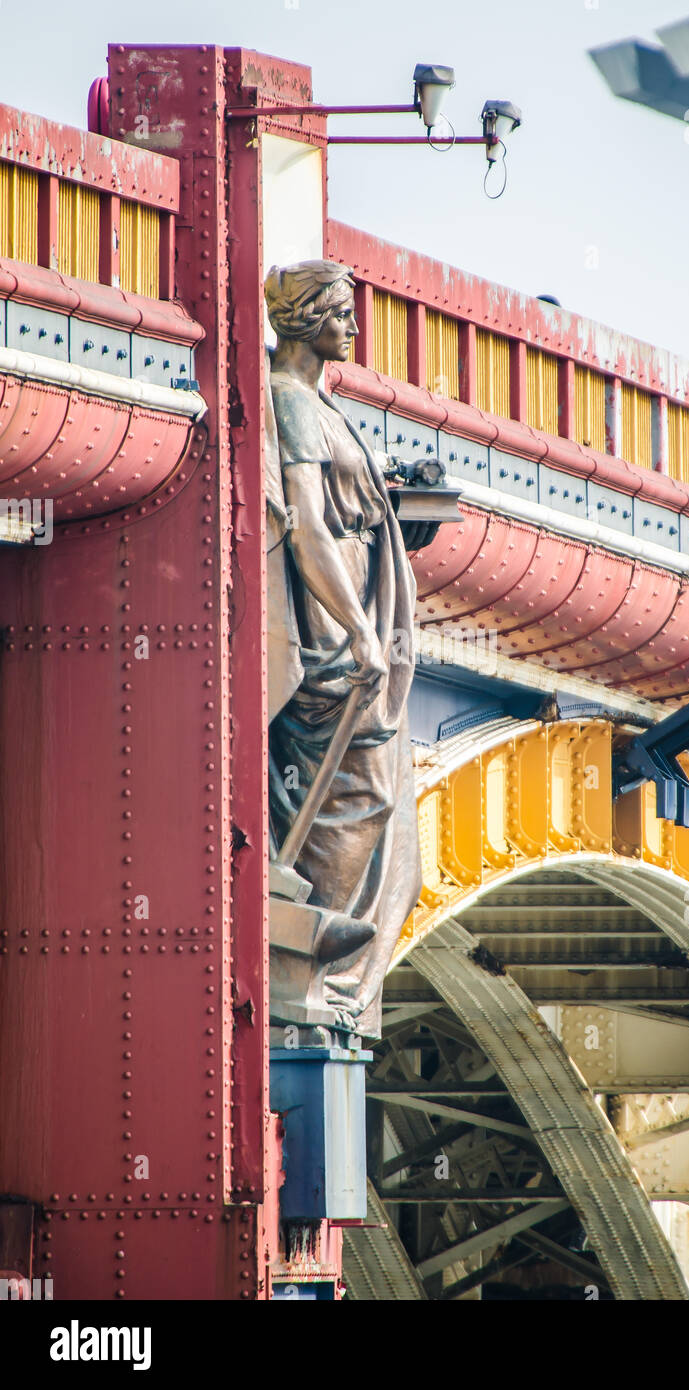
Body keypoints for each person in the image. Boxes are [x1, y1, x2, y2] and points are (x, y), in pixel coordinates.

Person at [264, 259, 422, 1040]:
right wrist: (360, 630)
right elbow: (306, 524)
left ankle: (325, 962)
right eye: (341, 313)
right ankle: (307, 961)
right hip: (333, 625)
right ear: (305, 321)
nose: (354, 326)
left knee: (374, 800)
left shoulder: (321, 402)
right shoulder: (291, 401)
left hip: (356, 606)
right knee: (357, 795)